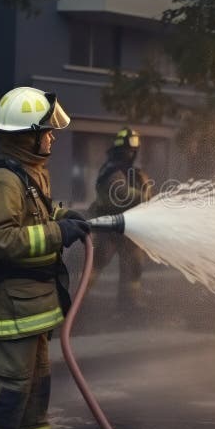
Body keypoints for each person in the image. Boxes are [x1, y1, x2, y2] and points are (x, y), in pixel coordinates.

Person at [0, 87, 90, 429]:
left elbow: (34, 215)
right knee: (10, 394)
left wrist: (62, 216)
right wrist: (57, 232)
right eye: (46, 131)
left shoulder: (30, 172)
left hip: (32, 306)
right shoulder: (3, 180)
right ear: (28, 135)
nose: (52, 136)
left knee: (35, 394)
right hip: (12, 308)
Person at [88, 127, 153, 307]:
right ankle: (74, 303)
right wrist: (143, 196)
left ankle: (129, 302)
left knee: (133, 266)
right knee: (94, 266)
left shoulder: (132, 172)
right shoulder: (112, 171)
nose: (132, 154)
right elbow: (120, 194)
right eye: (130, 151)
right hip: (108, 229)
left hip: (127, 229)